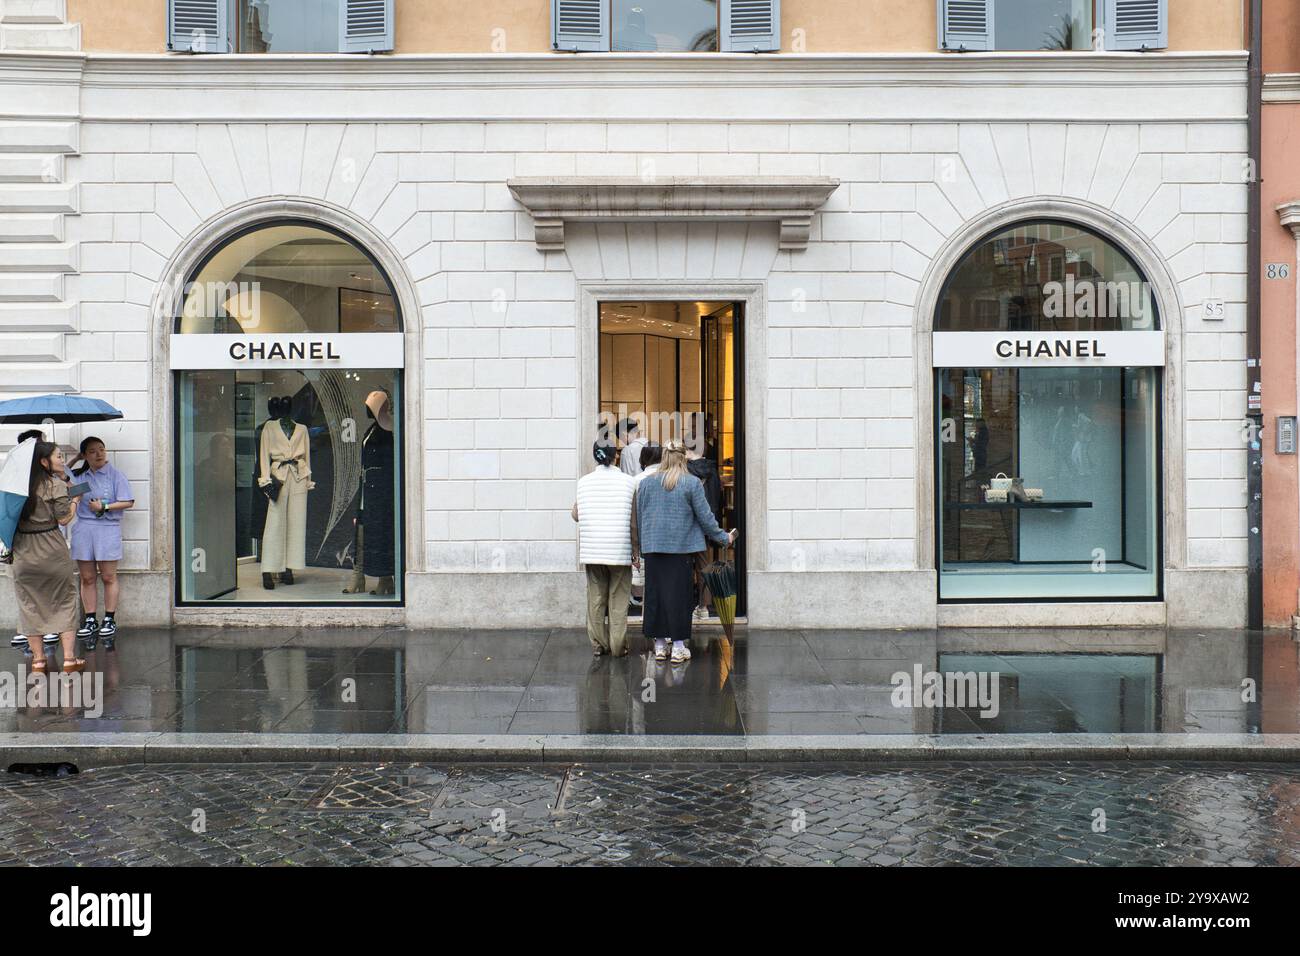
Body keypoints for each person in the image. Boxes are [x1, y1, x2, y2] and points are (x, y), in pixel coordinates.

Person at [632, 439, 738, 664]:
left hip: (653, 548)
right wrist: (723, 538)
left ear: (664, 458)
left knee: (656, 597)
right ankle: (678, 647)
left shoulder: (647, 484)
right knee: (679, 598)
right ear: (683, 459)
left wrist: (641, 547)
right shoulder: (691, 483)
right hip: (681, 549)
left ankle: (660, 645)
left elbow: (640, 517)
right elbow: (706, 518)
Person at [11, 441, 84, 674]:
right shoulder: (55, 485)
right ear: (44, 462)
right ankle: (70, 659)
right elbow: (63, 519)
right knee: (64, 600)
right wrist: (74, 501)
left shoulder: (15, 488)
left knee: (29, 603)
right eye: (58, 456)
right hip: (52, 548)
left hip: (24, 550)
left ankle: (38, 661)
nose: (62, 460)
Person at [571, 439, 636, 657]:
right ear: (615, 456)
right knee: (618, 599)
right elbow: (633, 520)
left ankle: (598, 645)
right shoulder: (629, 482)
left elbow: (576, 514)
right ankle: (618, 646)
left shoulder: (584, 482)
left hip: (593, 550)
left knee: (596, 599)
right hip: (619, 550)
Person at [68, 436, 134, 648]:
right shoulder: (81, 477)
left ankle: (109, 618)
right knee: (87, 577)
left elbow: (128, 501)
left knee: (108, 576)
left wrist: (105, 507)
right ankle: (90, 619)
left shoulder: (116, 476)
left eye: (102, 449)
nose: (99, 454)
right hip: (84, 530)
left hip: (108, 529)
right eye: (93, 451)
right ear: (85, 456)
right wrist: (75, 459)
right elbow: (62, 477)